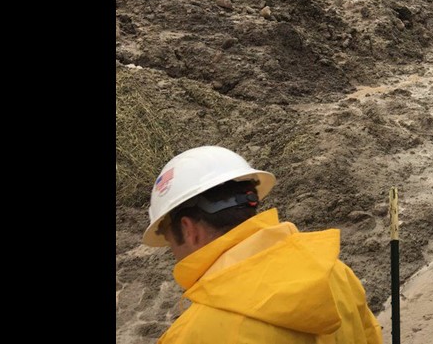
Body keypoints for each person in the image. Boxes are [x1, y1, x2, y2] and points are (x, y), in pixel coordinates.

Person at [143, 145, 383, 343]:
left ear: (189, 229)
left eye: (167, 237)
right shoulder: (335, 273)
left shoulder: (192, 335)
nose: (173, 252)